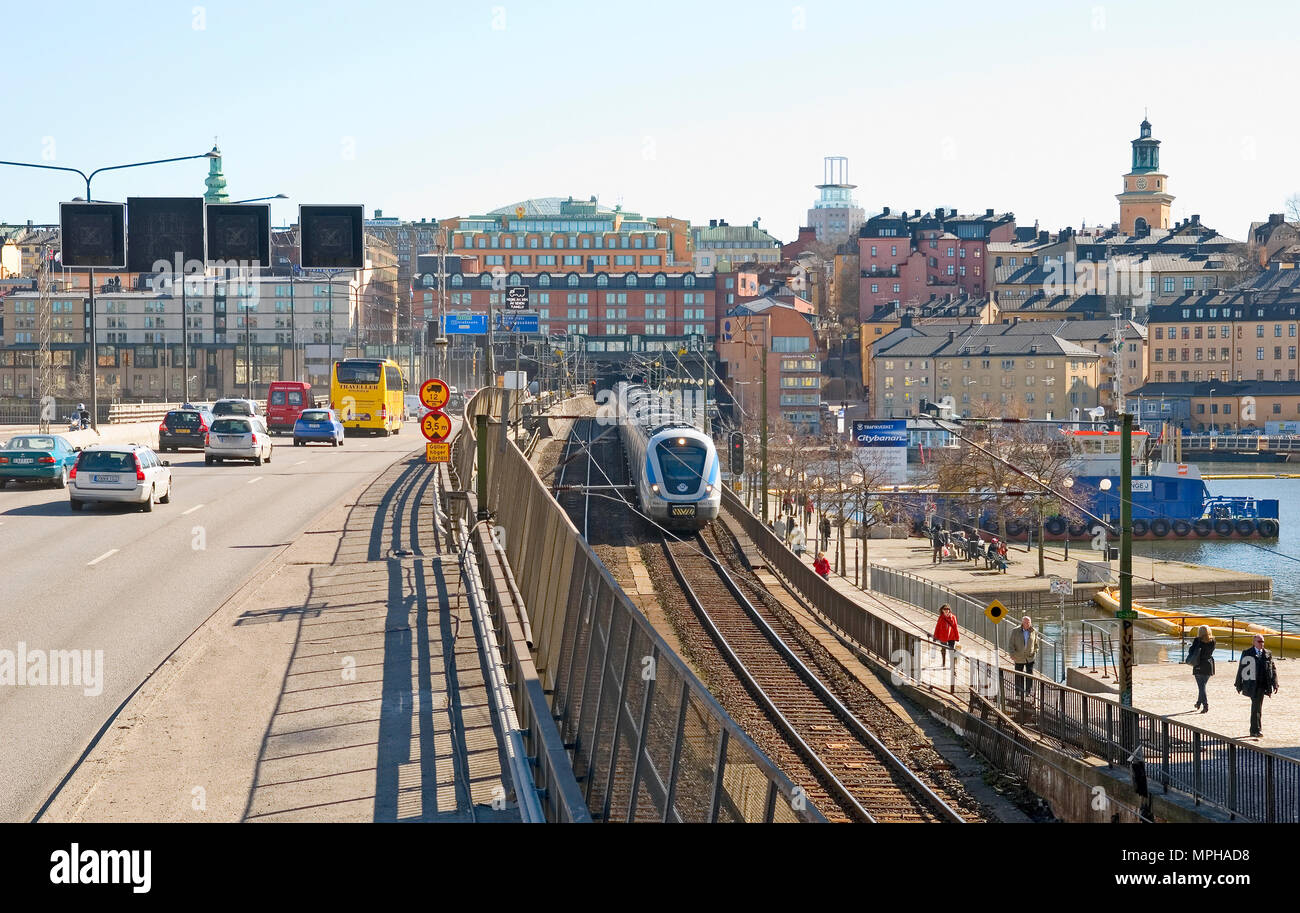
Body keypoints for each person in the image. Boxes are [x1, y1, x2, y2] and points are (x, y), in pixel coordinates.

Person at [1234, 634, 1279, 738]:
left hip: (1263, 684)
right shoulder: (1247, 653)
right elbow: (1241, 668)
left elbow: (1273, 669)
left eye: (1263, 642)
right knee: (1256, 707)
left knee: (1257, 707)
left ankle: (1255, 730)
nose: (1262, 644)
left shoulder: (1267, 653)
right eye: (1259, 642)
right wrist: (1238, 684)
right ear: (1254, 642)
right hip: (1252, 684)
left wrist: (1275, 683)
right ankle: (1255, 730)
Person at [1186, 625, 1216, 713]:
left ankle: (1205, 705)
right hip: (1208, 665)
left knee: (1201, 687)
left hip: (1199, 664)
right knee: (1202, 686)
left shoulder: (1198, 641)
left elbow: (1191, 651)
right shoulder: (1213, 641)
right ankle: (1198, 703)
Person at [1008, 616, 1038, 700]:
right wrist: (1012, 654)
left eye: (1029, 622)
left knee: (1029, 675)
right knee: (1019, 675)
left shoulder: (1033, 631)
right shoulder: (1015, 631)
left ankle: (1028, 692)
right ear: (1022, 623)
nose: (1027, 624)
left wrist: (1035, 652)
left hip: (1030, 657)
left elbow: (1036, 644)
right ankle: (1018, 692)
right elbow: (1011, 644)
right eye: (1025, 622)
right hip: (1018, 657)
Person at [933, 604, 959, 668]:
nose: (946, 610)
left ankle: (952, 665)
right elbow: (937, 627)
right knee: (943, 649)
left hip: (951, 637)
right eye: (945, 609)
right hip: (943, 636)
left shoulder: (953, 617)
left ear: (949, 610)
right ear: (942, 610)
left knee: (951, 650)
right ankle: (943, 663)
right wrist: (935, 636)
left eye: (948, 609)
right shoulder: (941, 617)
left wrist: (957, 637)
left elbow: (955, 627)